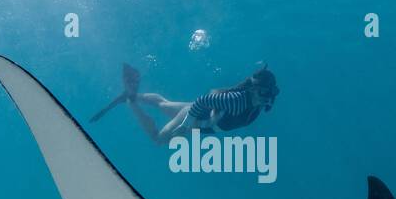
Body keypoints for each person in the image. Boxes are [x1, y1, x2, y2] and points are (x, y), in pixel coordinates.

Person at [91, 63, 279, 145]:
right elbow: (204, 100)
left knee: (164, 105)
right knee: (158, 139)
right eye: (263, 93)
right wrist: (187, 124)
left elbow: (212, 98)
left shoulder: (258, 105)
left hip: (196, 113)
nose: (265, 99)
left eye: (269, 94)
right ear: (254, 89)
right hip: (195, 117)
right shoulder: (237, 101)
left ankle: (134, 94)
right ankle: (132, 101)